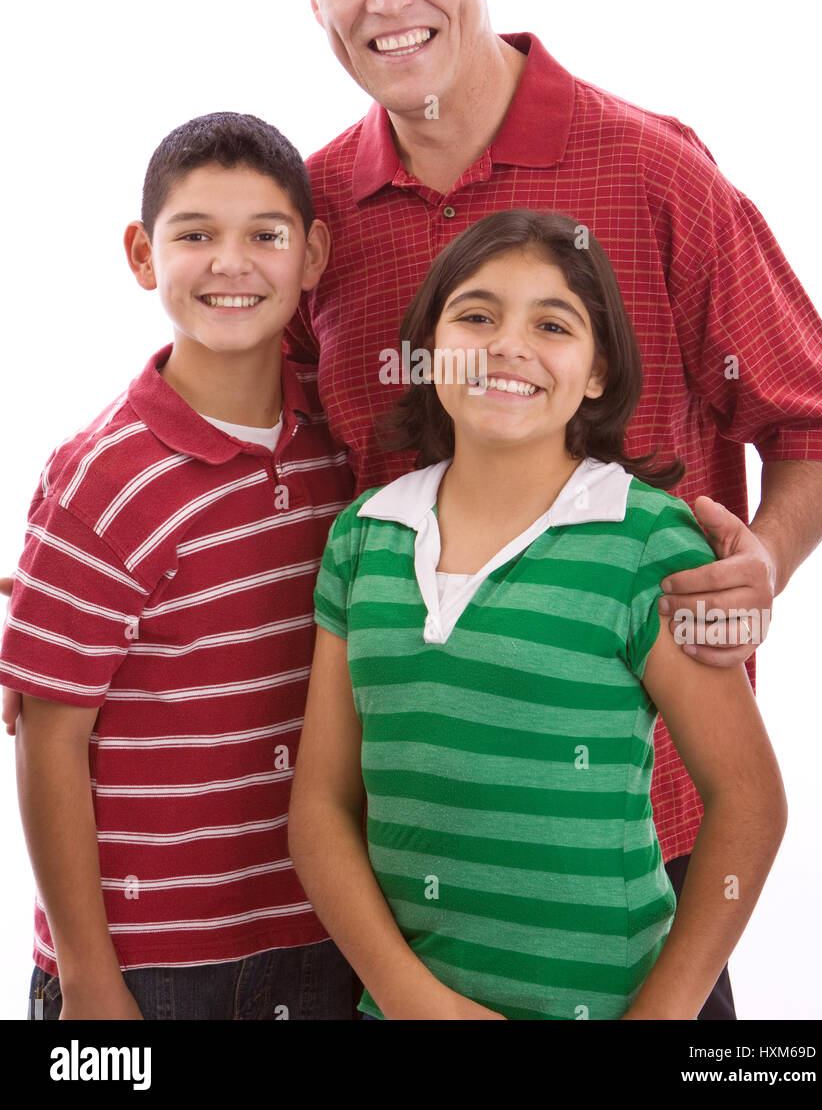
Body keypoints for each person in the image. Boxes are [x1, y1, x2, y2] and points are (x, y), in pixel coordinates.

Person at [288, 0, 822, 1016]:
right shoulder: (315, 217)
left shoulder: (653, 173)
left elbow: (818, 417)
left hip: (633, 867)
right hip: (407, 860)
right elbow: (273, 450)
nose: (385, 3)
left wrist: (764, 561)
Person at [288, 210, 787, 1021]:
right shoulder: (363, 540)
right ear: (426, 350)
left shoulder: (649, 545)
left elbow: (750, 803)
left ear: (596, 372)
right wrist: (416, 1002)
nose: (507, 346)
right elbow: (319, 809)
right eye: (477, 315)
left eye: (553, 324)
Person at [0, 112, 356, 1020]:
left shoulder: (341, 439)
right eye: (195, 234)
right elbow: (49, 739)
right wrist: (86, 977)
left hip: (323, 935)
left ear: (311, 254)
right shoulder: (100, 479)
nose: (230, 264)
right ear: (143, 254)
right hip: (146, 967)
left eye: (264, 236)